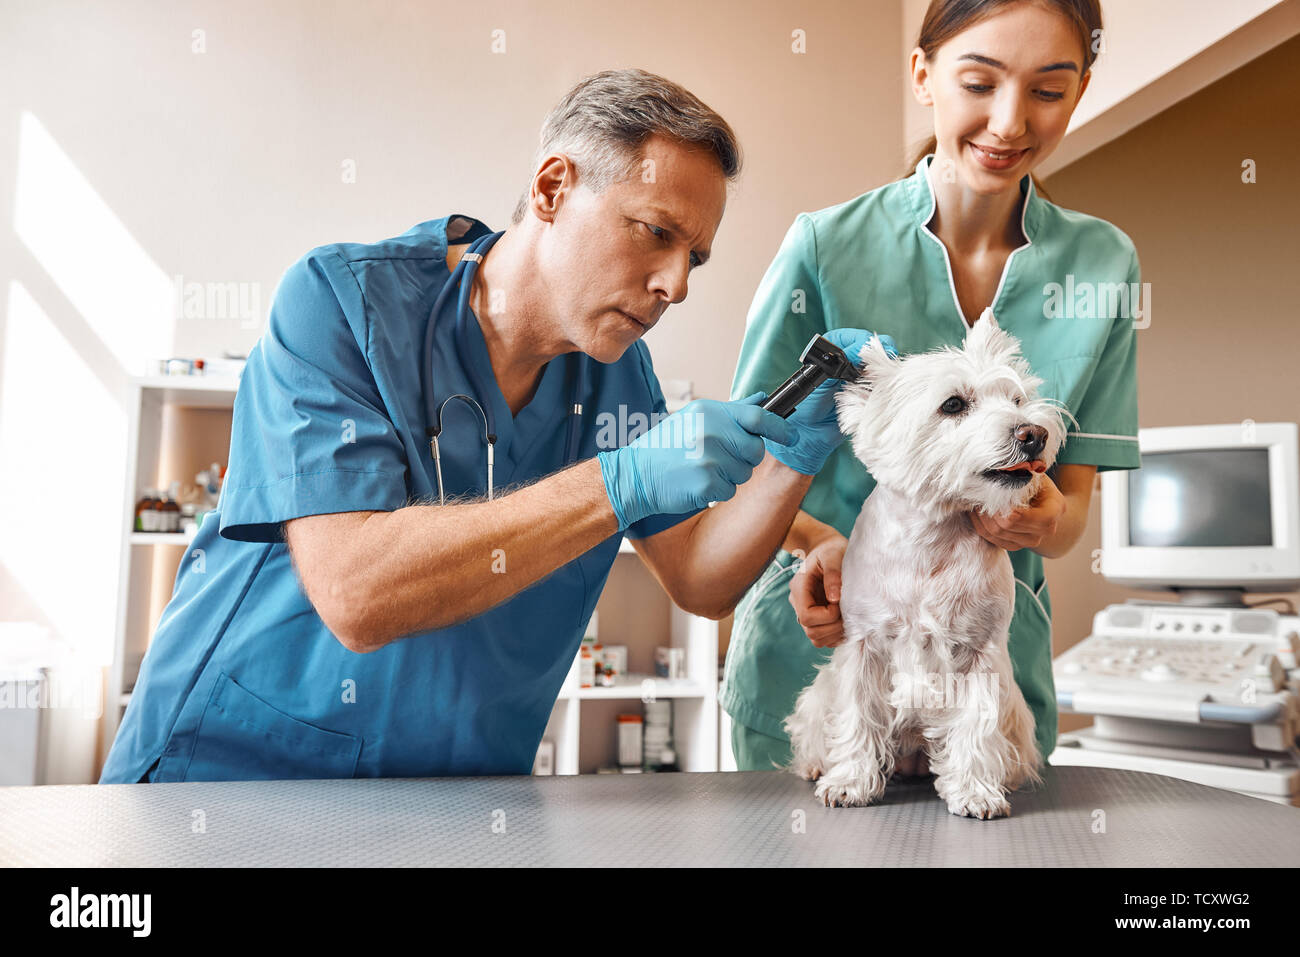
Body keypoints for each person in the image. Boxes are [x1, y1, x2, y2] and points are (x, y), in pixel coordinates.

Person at [100, 68, 892, 784]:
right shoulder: (340, 302)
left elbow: (699, 577)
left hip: (454, 801)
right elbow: (357, 591)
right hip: (235, 777)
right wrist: (621, 479)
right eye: (655, 232)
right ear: (552, 188)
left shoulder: (616, 375)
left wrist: (797, 458)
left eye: (696, 257)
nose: (675, 284)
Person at [723, 0, 1141, 775]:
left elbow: (1073, 508)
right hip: (822, 659)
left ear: (1081, 90)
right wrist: (826, 547)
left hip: (984, 674)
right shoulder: (825, 246)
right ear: (923, 75)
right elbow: (748, 459)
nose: (1010, 122)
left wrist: (1040, 521)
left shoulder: (1103, 266)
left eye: (1049, 90)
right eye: (979, 81)